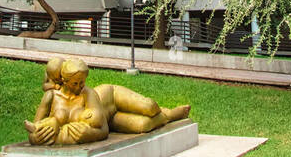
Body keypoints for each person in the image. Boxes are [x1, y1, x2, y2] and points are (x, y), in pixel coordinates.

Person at [25, 57, 191, 146]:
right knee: (143, 125)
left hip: (111, 96)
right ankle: (169, 117)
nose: (79, 87)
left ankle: (169, 112)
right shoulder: (51, 97)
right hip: (109, 118)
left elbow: (103, 131)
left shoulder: (88, 93)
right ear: (64, 80)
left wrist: (90, 134)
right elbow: (34, 127)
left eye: (82, 82)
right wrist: (36, 138)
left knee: (149, 107)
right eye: (75, 83)